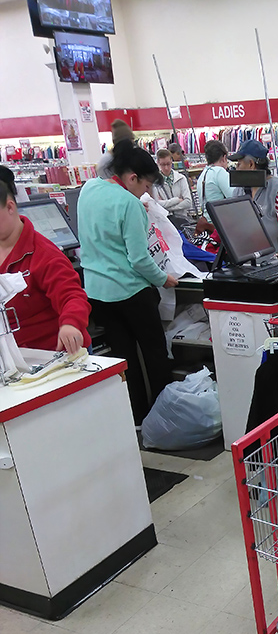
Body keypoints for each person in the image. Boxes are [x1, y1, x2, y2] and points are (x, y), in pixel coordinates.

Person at [77, 140, 178, 425]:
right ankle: (164, 419)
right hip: (131, 292)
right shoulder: (129, 204)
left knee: (124, 360)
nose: (146, 192)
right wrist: (163, 279)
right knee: (155, 355)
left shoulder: (88, 189)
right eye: (146, 185)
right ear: (132, 178)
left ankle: (137, 418)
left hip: (98, 292)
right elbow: (140, 260)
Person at [0, 166, 90, 354]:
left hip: (54, 356)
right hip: (14, 357)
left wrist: (70, 323)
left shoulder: (43, 254)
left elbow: (72, 295)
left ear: (10, 207)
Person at [230, 139, 278, 261]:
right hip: (246, 266)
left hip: (275, 267)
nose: (236, 169)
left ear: (251, 164)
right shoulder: (239, 192)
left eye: (239, 164)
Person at [195, 139, 234, 221]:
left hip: (208, 220)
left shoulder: (203, 175)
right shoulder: (219, 172)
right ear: (224, 158)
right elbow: (234, 197)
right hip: (221, 221)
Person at [152, 148, 192, 225]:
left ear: (171, 161)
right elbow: (156, 204)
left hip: (182, 221)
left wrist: (167, 208)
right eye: (163, 164)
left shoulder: (181, 178)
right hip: (165, 222)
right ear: (158, 163)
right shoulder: (155, 182)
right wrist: (176, 200)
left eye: (168, 164)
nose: (166, 168)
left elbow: (188, 202)